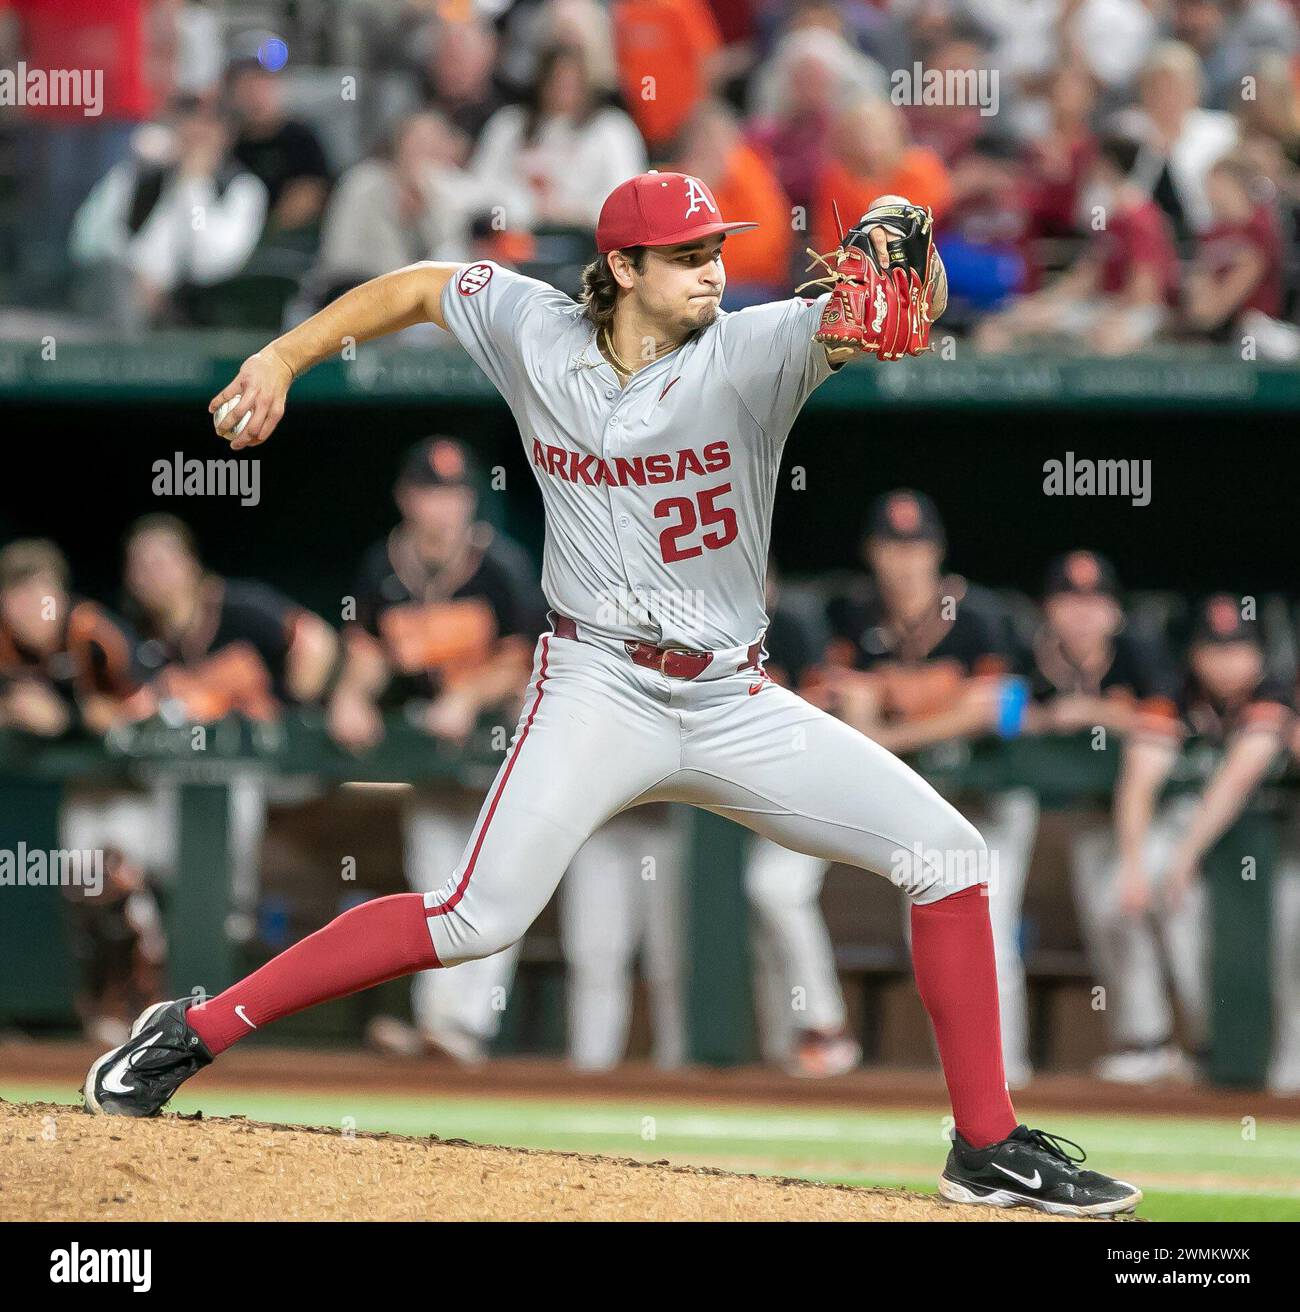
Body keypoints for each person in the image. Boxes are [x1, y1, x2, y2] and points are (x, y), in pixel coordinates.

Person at [86, 169, 1141, 1217]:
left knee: (949, 857)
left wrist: (918, 246)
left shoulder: (755, 346)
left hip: (730, 697)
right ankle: (193, 1029)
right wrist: (282, 354)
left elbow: (890, 317)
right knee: (473, 917)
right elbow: (413, 285)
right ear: (621, 268)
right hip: (596, 684)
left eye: (716, 250)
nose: (710, 272)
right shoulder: (532, 329)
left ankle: (986, 1145)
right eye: (684, 256)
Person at [794, 491, 1038, 1087]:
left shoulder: (979, 613)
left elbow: (1000, 704)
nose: (904, 561)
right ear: (873, 553)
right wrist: (908, 712)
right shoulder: (853, 613)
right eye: (892, 547)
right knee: (930, 940)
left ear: (936, 551)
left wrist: (890, 734)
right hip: (905, 806)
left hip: (988, 803)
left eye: (916, 547)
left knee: (990, 937)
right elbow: (841, 699)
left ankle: (1009, 1080)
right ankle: (964, 1089)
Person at [327, 438, 544, 1065]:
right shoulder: (383, 568)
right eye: (431, 493)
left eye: (455, 494)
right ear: (406, 499)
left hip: (501, 750)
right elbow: (367, 651)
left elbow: (526, 657)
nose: (444, 508)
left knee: (495, 883)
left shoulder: (500, 565)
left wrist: (470, 695)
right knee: (433, 880)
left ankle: (467, 1026)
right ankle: (437, 1024)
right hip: (431, 755)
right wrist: (350, 695)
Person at [1019, 551, 1191, 1083]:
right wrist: (1043, 715)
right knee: (1106, 918)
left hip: (1167, 814)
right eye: (1069, 600)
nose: (1082, 613)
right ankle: (1146, 1041)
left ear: (1113, 611)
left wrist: (1093, 711)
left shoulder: (1137, 649)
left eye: (1095, 602)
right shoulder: (1035, 656)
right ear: (1049, 608)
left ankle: (1205, 1044)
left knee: (1153, 912)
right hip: (1088, 820)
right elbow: (1003, 713)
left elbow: (1168, 722)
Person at [68, 96, 267, 329]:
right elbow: (86, 240)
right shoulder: (142, 174)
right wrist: (137, 272)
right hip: (121, 289)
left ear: (226, 134)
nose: (196, 130)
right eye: (190, 119)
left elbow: (207, 262)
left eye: (209, 125)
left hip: (193, 304)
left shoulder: (242, 189)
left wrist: (194, 186)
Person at [975, 135, 1180, 355]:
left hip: (1138, 312)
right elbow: (1086, 277)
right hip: (1103, 306)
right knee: (1007, 322)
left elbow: (1144, 293)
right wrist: (1040, 304)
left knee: (1107, 339)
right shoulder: (1110, 218)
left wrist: (1099, 316)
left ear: (1106, 166)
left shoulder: (1141, 219)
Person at [470, 43, 647, 234]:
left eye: (571, 83)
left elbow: (627, 197)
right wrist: (524, 204)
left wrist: (572, 211)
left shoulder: (612, 129)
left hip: (587, 242)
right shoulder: (510, 124)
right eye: (555, 81)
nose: (562, 90)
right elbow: (480, 186)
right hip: (513, 237)